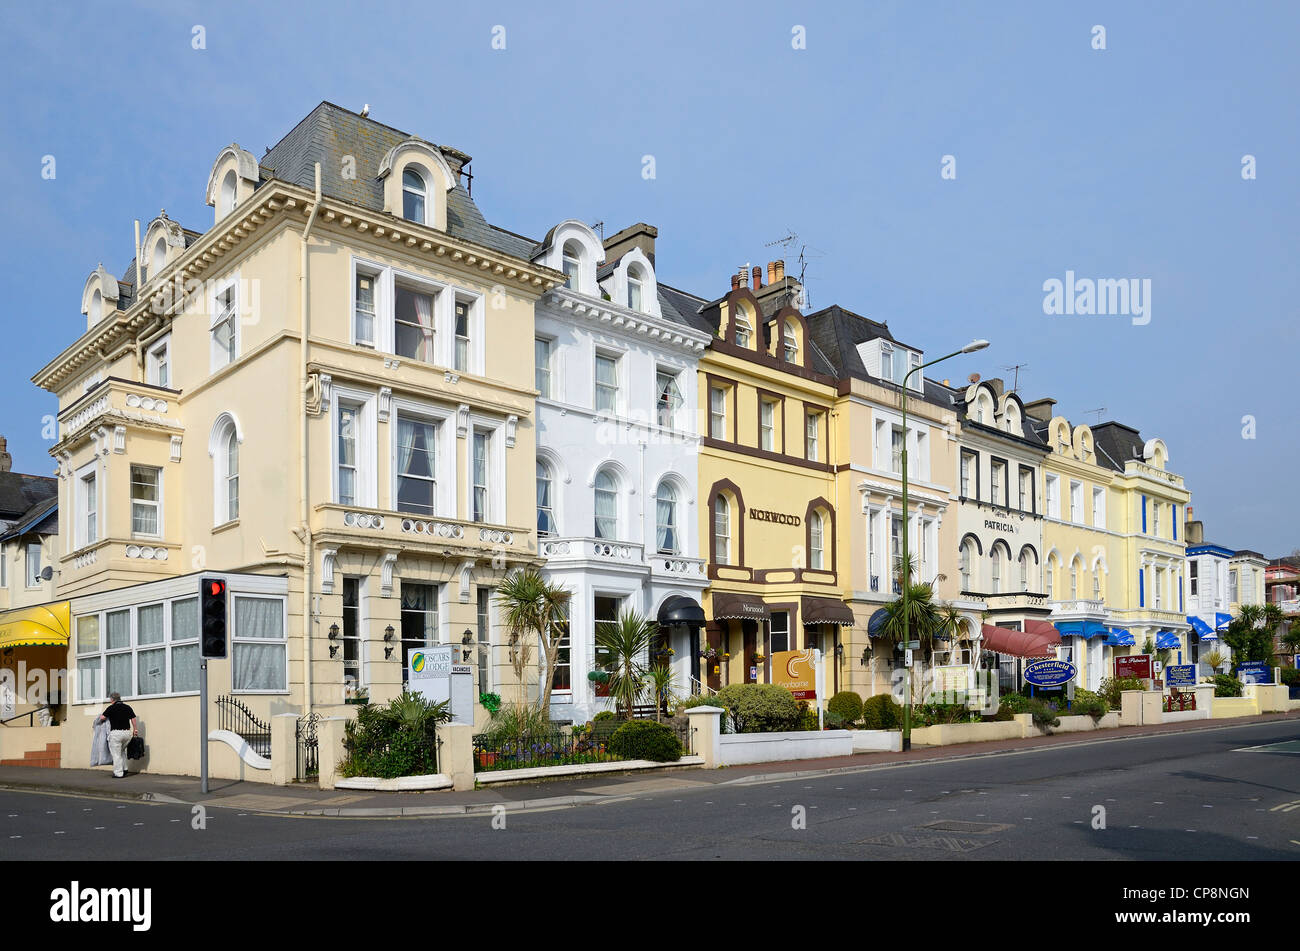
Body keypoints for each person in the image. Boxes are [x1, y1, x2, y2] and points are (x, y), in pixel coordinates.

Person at [97, 692, 138, 779]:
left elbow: (102, 718)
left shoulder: (111, 708)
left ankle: (118, 773)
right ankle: (125, 769)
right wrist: (135, 729)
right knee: (122, 751)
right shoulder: (127, 707)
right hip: (127, 733)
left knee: (116, 754)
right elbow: (133, 718)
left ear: (112, 700)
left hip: (116, 734)